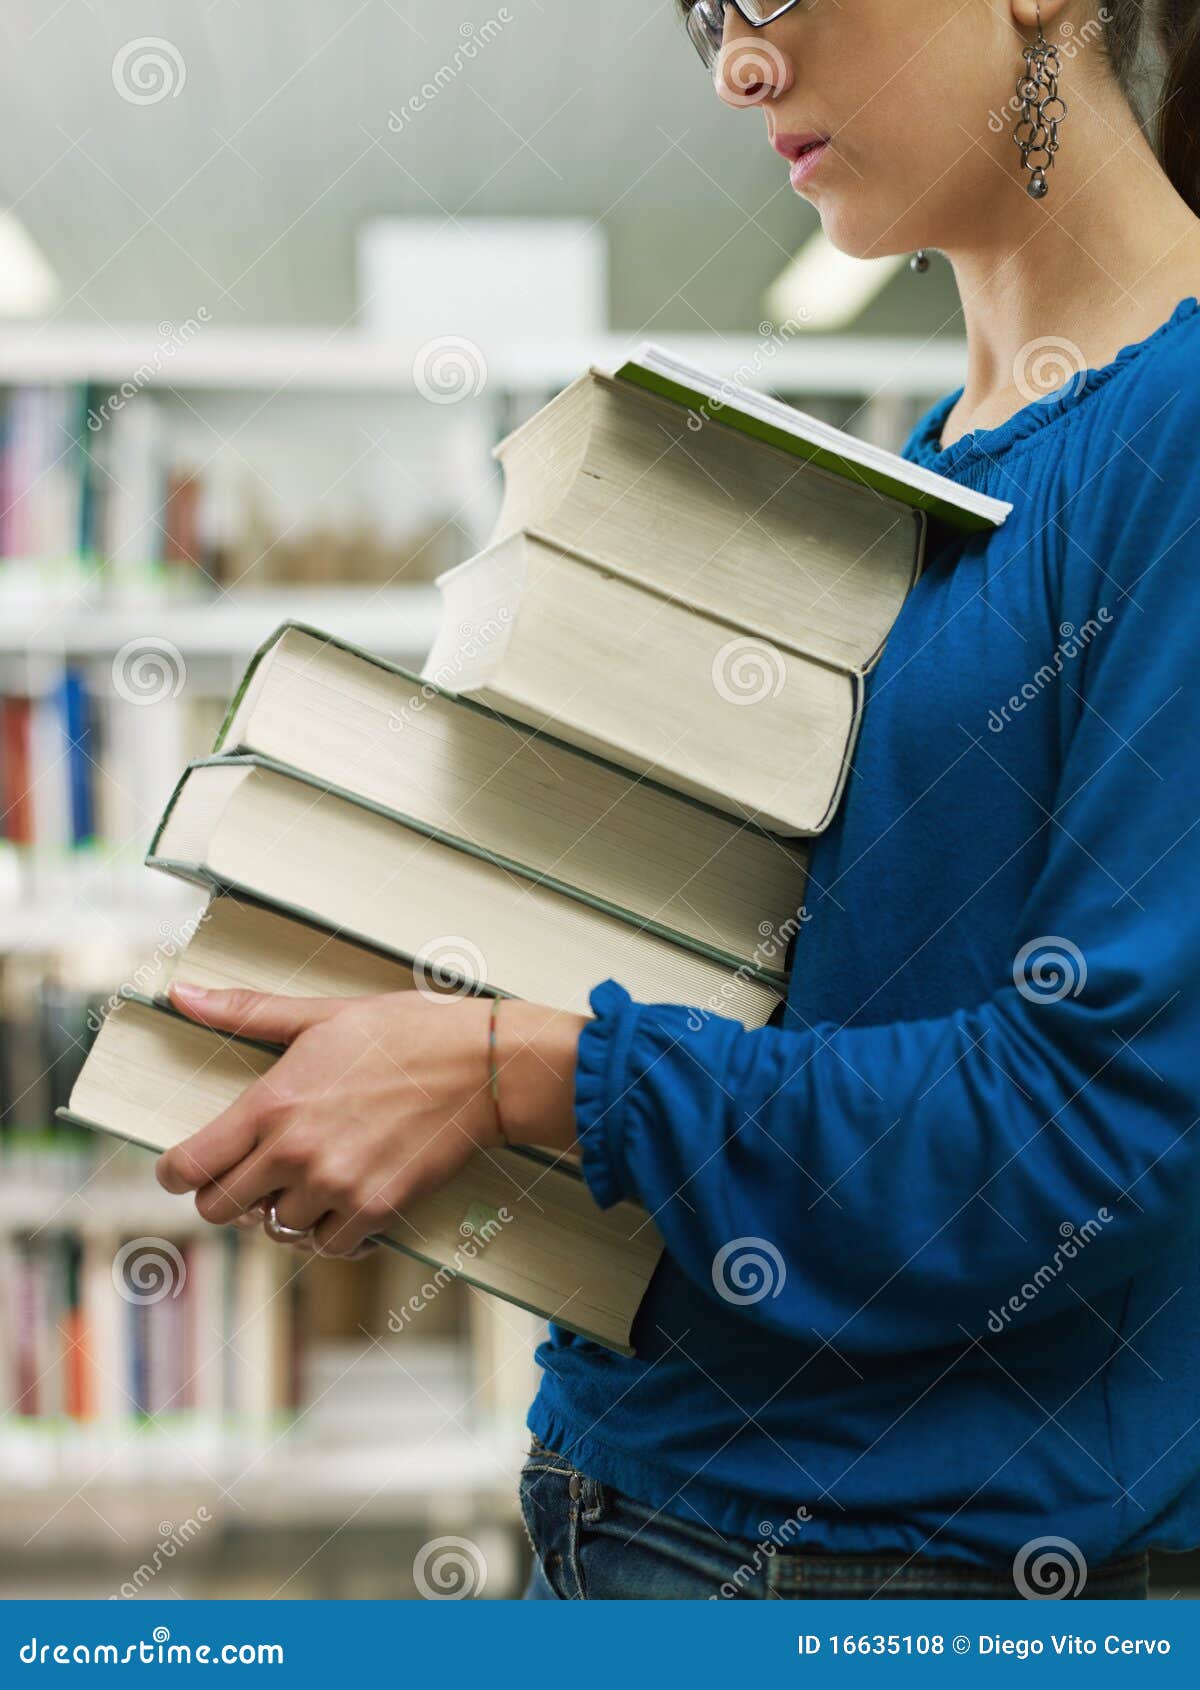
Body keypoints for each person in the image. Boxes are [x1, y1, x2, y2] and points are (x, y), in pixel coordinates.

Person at [156, 0, 1200, 1599]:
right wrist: (436, 1090)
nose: (736, 68)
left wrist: (517, 1072)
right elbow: (830, 1017)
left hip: (909, 1576)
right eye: (705, 14)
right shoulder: (953, 457)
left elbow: (1100, 1128)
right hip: (646, 1501)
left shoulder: (1177, 432)